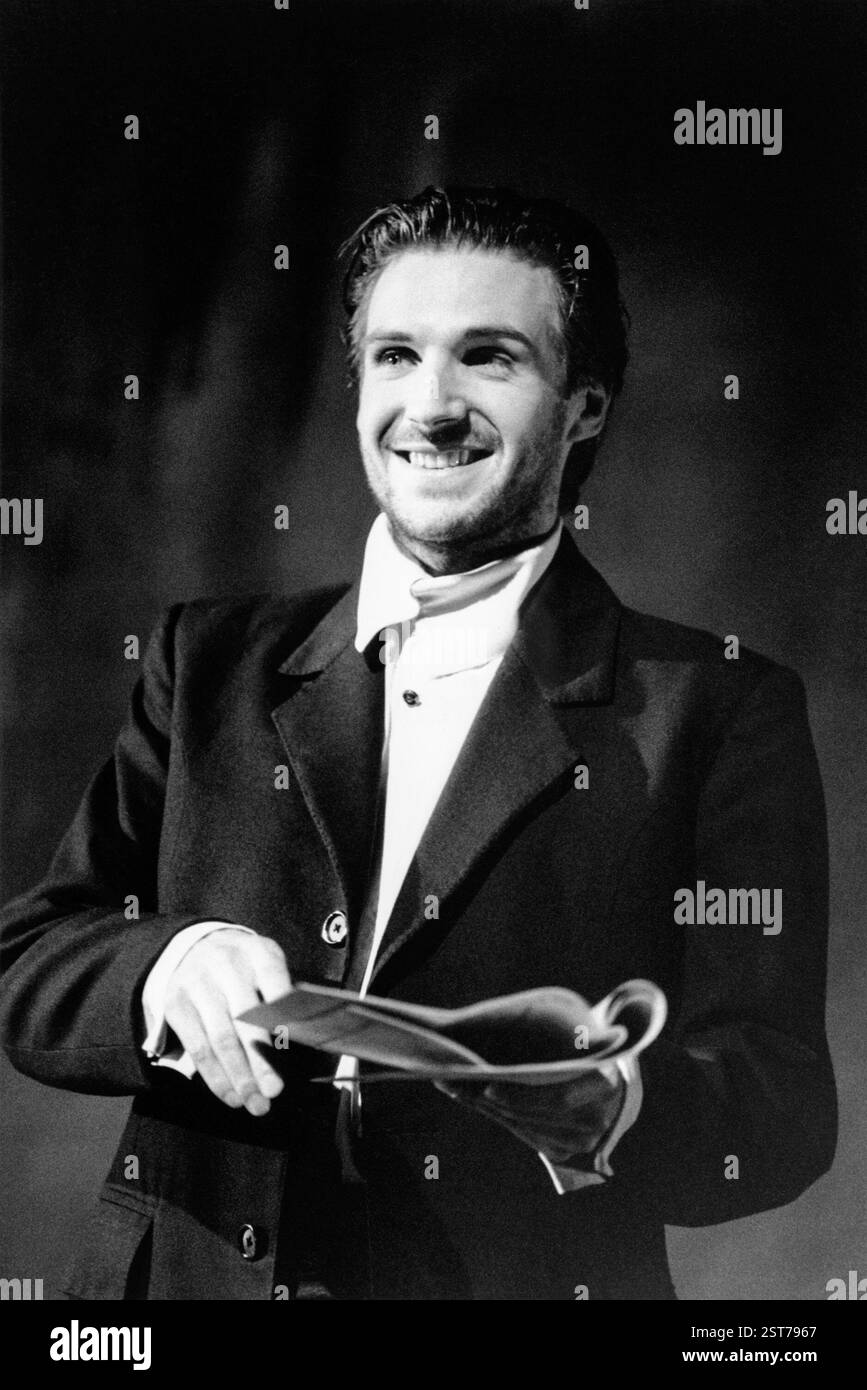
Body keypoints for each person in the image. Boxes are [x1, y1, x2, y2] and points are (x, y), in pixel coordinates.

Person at [0, 186, 836, 1300]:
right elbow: (32, 954)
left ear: (585, 405)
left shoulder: (721, 709)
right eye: (395, 356)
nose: (429, 405)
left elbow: (779, 1106)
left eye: (489, 357)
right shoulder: (206, 661)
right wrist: (163, 964)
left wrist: (621, 1101)